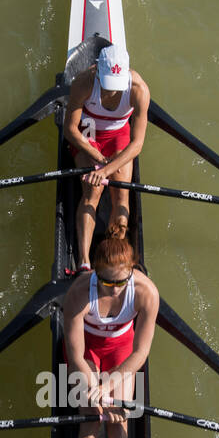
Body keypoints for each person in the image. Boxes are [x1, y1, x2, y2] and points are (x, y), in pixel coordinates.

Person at [61, 220, 159, 438]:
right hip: (86, 352)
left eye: (120, 282)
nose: (113, 289)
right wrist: (92, 387)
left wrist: (112, 385)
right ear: (94, 274)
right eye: (104, 281)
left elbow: (141, 352)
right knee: (89, 419)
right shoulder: (77, 292)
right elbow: (74, 354)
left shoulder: (146, 293)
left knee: (120, 423)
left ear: (132, 271)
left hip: (122, 352)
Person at [64, 43, 150, 273]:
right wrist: (99, 159)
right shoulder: (84, 81)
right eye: (107, 84)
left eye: (117, 85)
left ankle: (115, 260)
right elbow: (70, 130)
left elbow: (137, 144)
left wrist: (105, 169)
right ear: (97, 71)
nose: (111, 92)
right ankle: (84, 262)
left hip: (118, 136)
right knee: (92, 192)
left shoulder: (139, 90)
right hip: (87, 135)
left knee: (122, 199)